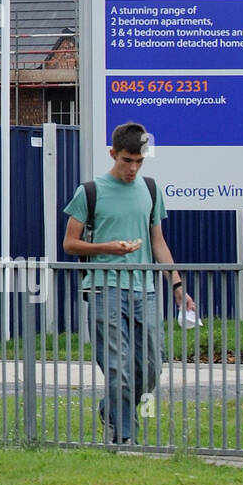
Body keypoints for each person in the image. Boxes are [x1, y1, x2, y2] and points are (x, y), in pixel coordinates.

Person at [62, 121, 196, 445]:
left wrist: (178, 287)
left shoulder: (150, 189)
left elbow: (158, 243)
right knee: (117, 366)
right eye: (127, 160)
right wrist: (106, 248)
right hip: (104, 288)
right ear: (113, 154)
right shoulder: (90, 191)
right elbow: (70, 243)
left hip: (145, 290)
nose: (133, 168)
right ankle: (125, 437)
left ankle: (111, 408)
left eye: (139, 161)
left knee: (150, 366)